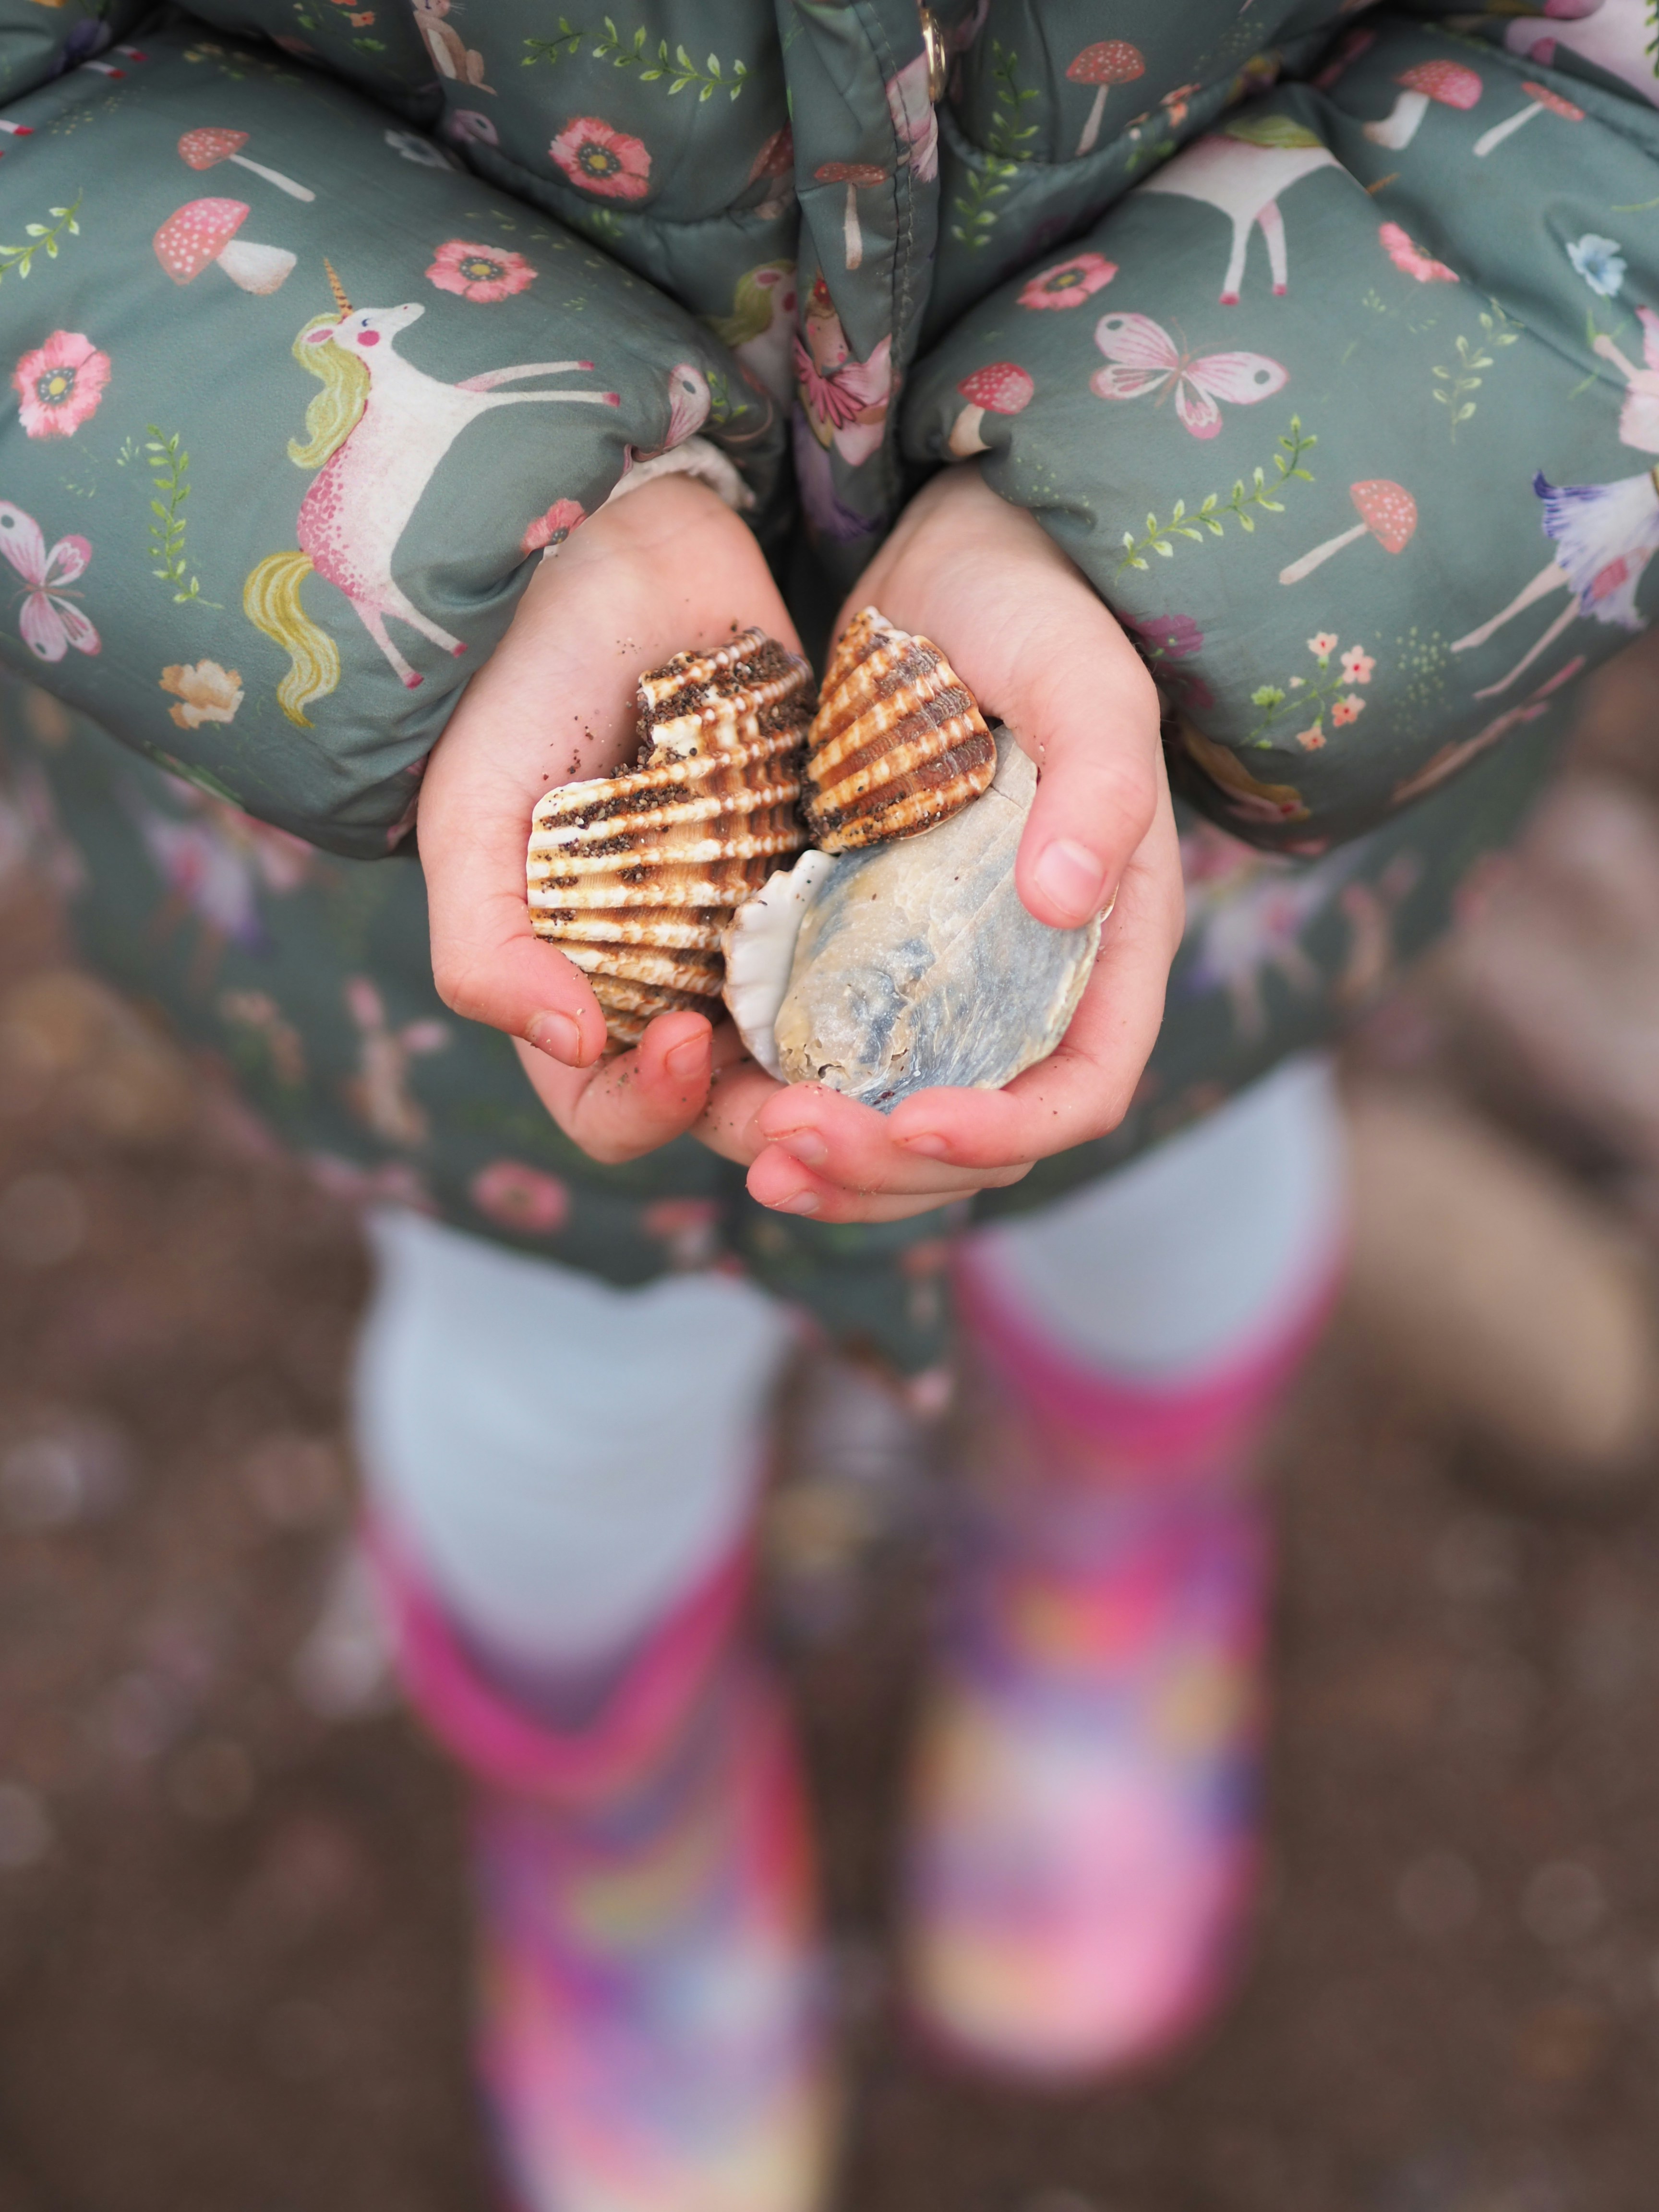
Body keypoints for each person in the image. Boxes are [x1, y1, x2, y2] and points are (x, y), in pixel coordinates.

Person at [0, 1, 1651, 2205]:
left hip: (1193, 741)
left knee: (1170, 1197)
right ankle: (617, 1820)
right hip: (410, 800)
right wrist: (479, 538)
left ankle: (1108, 1562)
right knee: (552, 1384)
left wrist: (1161, 540)